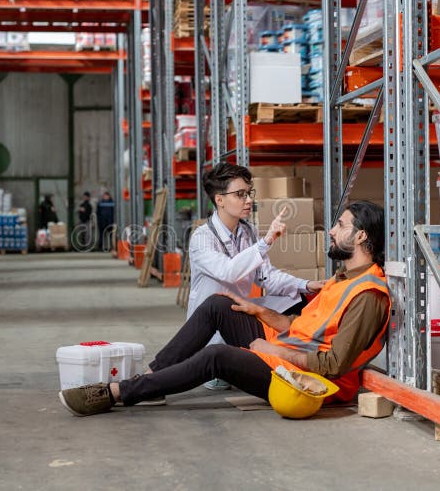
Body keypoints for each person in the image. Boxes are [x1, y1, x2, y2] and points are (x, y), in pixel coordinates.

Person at [58, 200, 391, 417]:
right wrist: (259, 312)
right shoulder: (344, 277)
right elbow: (299, 326)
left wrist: (272, 348)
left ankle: (118, 393)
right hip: (288, 350)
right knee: (220, 304)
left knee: (216, 357)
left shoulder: (367, 295)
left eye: (341, 226)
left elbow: (333, 364)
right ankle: (153, 378)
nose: (332, 231)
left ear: (361, 237)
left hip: (303, 379)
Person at [187, 163, 326, 391]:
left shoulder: (247, 231)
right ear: (219, 199)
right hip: (212, 325)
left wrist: (307, 284)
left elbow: (267, 277)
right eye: (239, 194)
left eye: (249, 193)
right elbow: (228, 272)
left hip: (238, 313)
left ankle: (296, 356)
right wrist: (266, 241)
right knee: (219, 369)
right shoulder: (202, 238)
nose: (248, 200)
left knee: (300, 299)